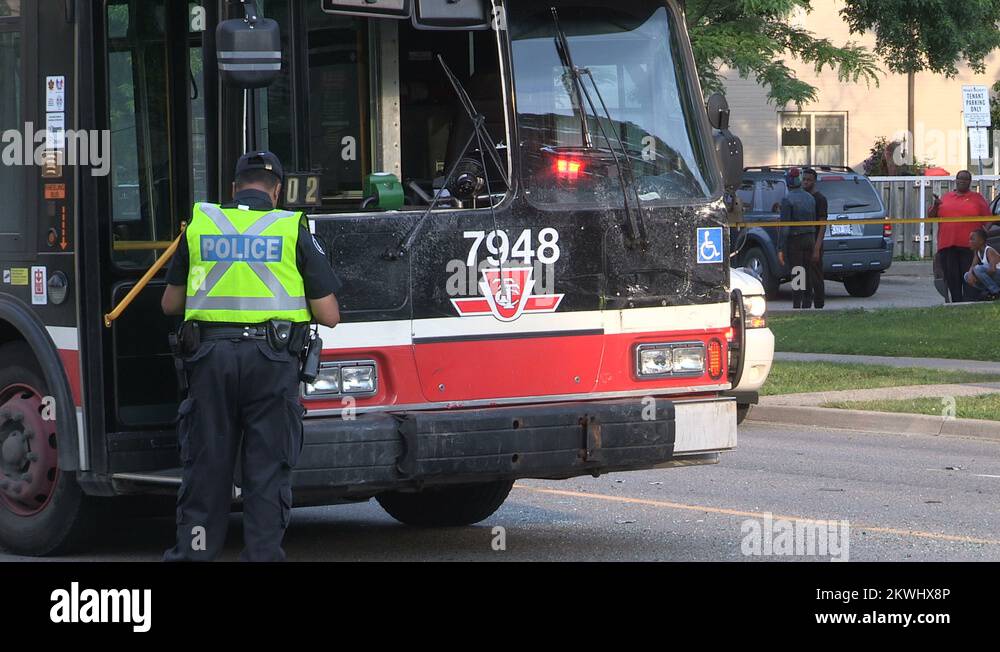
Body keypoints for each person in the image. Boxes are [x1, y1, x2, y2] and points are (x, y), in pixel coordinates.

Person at [160, 151, 343, 562]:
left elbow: (170, 304)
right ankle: (261, 555)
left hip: (209, 360)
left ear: (233, 188)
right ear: (276, 191)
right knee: (267, 470)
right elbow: (329, 314)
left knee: (206, 468)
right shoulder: (290, 227)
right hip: (272, 362)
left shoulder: (202, 224)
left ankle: (194, 555)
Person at [929, 170, 990, 303]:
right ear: (955, 180)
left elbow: (989, 220)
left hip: (970, 247)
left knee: (970, 275)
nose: (962, 181)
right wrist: (936, 205)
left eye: (965, 179)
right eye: (959, 178)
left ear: (970, 182)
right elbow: (931, 216)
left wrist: (984, 238)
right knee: (952, 277)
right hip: (948, 245)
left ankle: (969, 301)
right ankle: (956, 303)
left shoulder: (977, 198)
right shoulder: (945, 198)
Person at [776, 168, 819, 309]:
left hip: (795, 240)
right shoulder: (810, 198)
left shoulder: (787, 199)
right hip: (810, 238)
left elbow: (785, 227)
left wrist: (781, 248)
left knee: (797, 271)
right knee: (807, 271)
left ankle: (797, 303)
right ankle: (807, 302)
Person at [800, 168, 827, 309]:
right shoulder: (800, 197)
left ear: (814, 181)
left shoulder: (820, 199)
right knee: (800, 273)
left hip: (815, 241)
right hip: (801, 242)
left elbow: (822, 225)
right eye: (803, 179)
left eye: (808, 180)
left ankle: (819, 305)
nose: (805, 182)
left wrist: (817, 248)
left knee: (816, 275)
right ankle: (803, 303)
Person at [964, 228, 1000, 300]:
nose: (969, 241)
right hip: (993, 277)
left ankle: (996, 292)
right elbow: (973, 265)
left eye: (972, 239)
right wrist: (972, 274)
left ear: (981, 241)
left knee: (978, 269)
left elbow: (993, 269)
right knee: (966, 275)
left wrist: (978, 276)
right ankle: (989, 292)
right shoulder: (977, 252)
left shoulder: (989, 250)